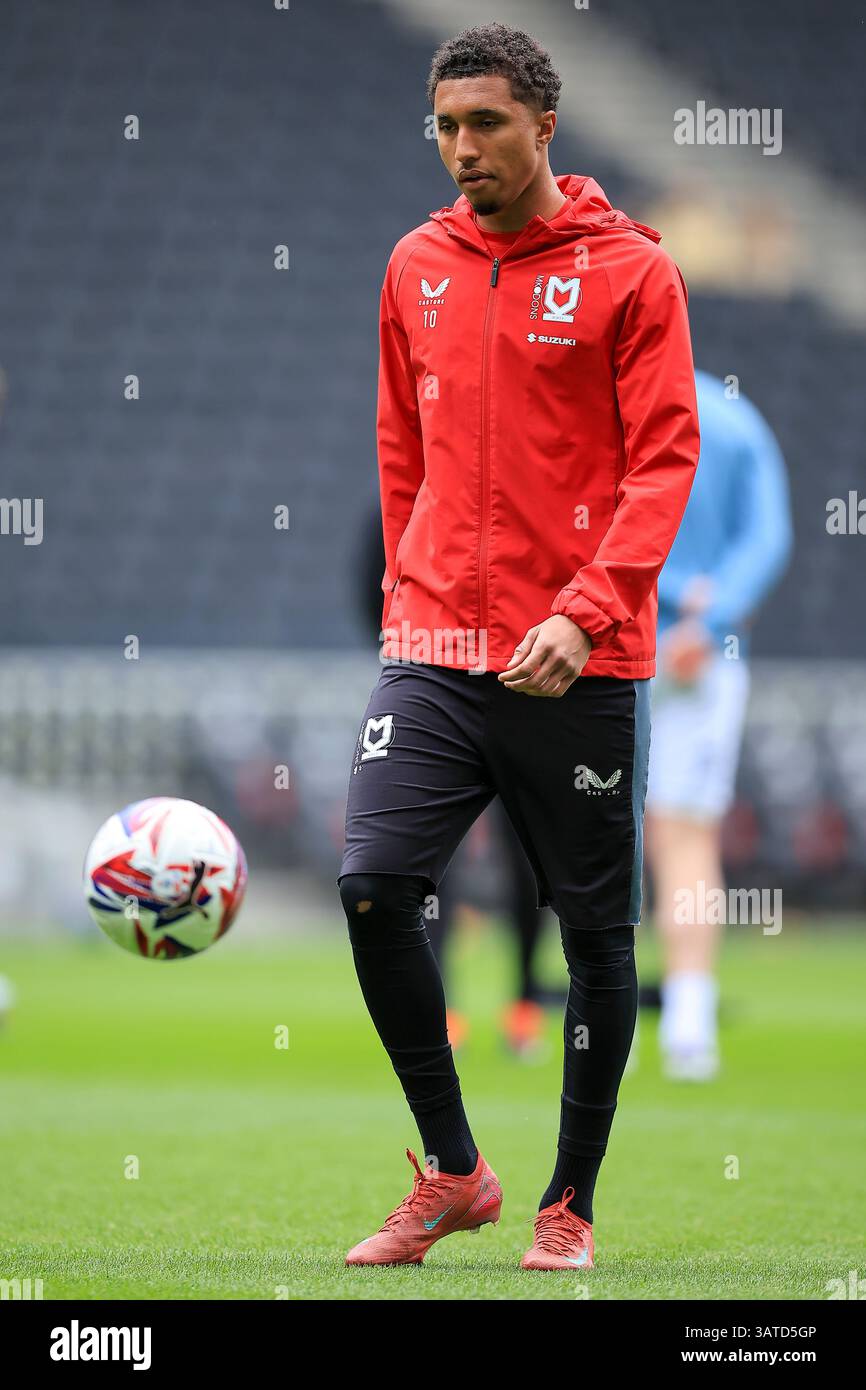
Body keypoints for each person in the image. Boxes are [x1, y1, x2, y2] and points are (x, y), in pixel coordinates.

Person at [337, 22, 700, 1271]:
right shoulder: (413, 265)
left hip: (578, 661)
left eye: (485, 123)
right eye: (445, 126)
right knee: (373, 884)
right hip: (434, 645)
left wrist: (585, 609)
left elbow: (663, 463)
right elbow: (401, 452)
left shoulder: (631, 272)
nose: (461, 148)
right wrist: (404, 596)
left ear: (544, 127)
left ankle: (568, 1205)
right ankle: (452, 1171)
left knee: (591, 939)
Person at [645, 370, 792, 1080]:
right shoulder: (736, 417)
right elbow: (767, 538)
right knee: (687, 837)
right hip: (706, 657)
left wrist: (674, 607)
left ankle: (606, 1018)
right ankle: (689, 1023)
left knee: (606, 837)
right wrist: (713, 618)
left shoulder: (614, 401)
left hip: (608, 646)